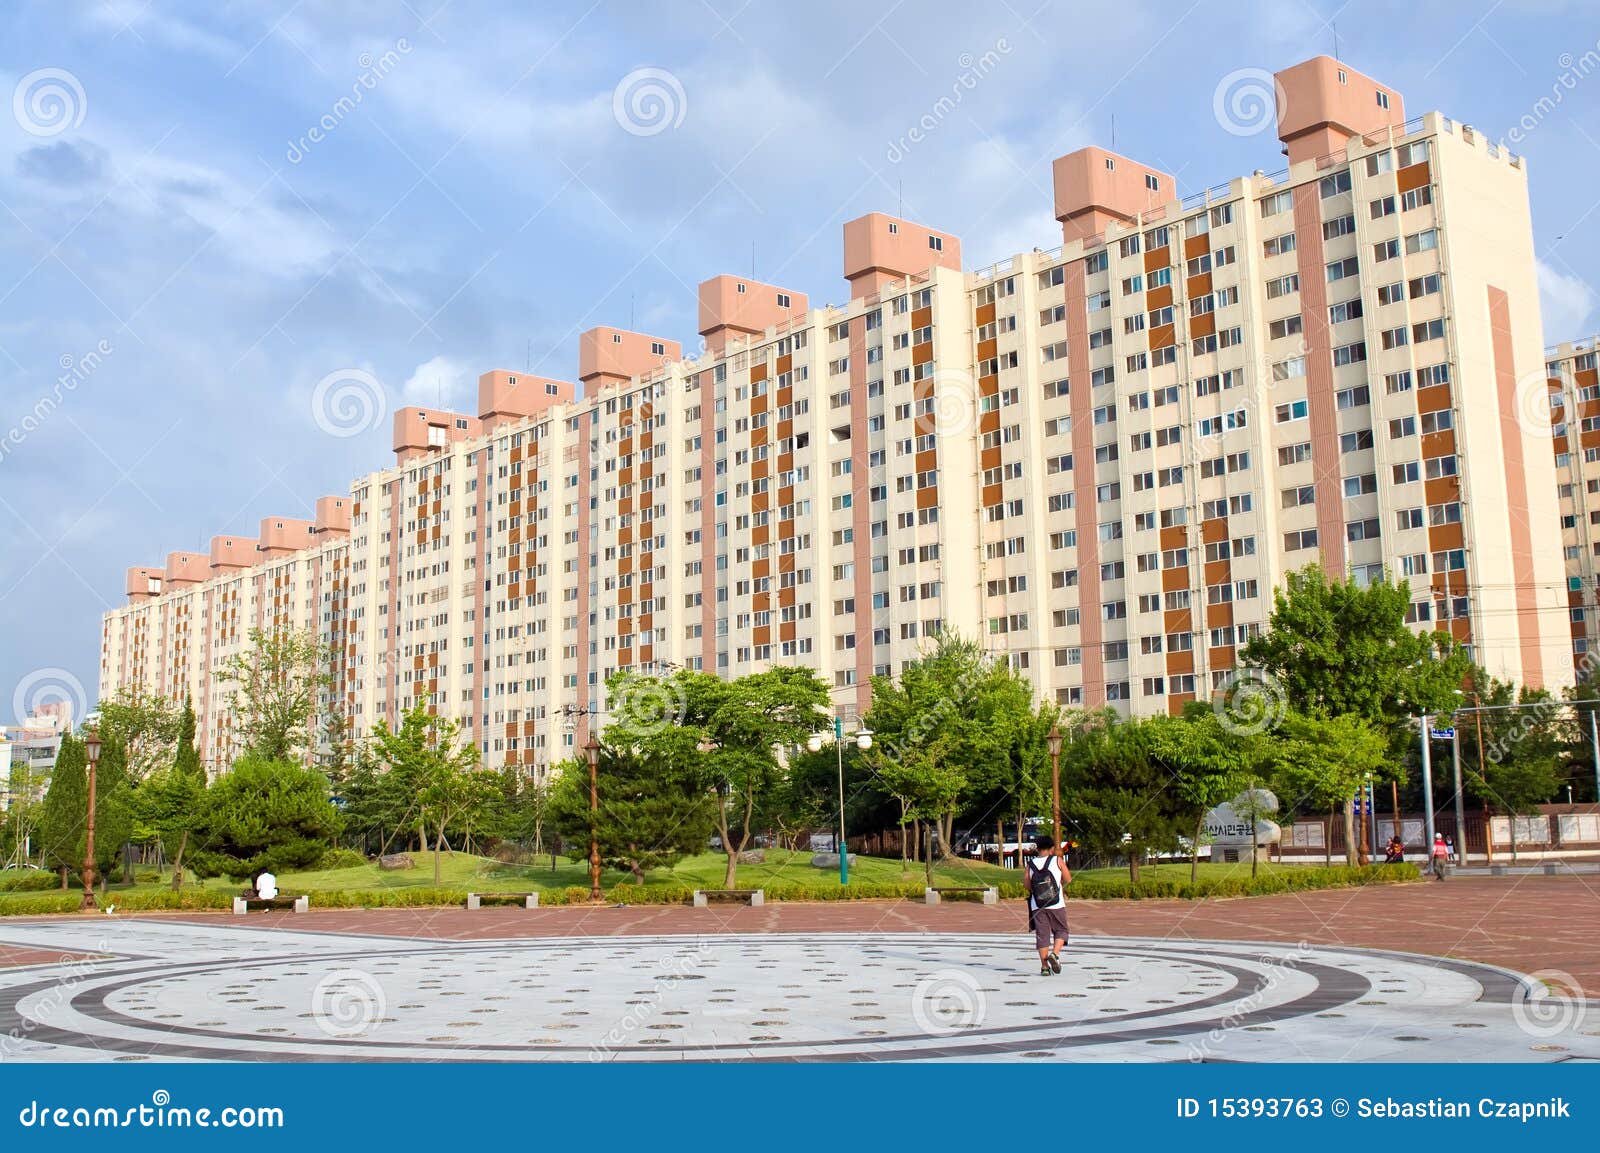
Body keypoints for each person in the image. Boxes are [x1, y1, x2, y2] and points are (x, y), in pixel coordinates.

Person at [1026, 834, 1071, 976]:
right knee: (1062, 930)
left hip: (1037, 904)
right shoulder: (1057, 860)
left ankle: (1044, 967)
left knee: (1042, 935)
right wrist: (1058, 885)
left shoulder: (1030, 864)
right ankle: (1055, 954)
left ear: (1037, 849)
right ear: (1051, 848)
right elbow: (1068, 878)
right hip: (1056, 903)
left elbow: (1027, 885)